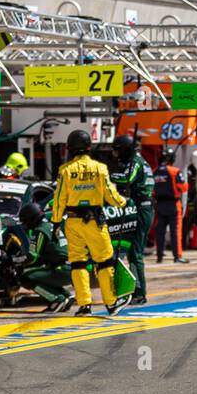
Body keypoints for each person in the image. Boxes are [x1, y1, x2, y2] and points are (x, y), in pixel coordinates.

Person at [52, 129, 128, 317]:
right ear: (88, 147)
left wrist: (55, 222)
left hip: (73, 222)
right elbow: (110, 194)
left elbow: (59, 199)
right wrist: (124, 201)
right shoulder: (100, 168)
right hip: (95, 222)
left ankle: (84, 305)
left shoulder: (65, 171)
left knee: (78, 263)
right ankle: (111, 302)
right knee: (104, 261)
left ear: (70, 148)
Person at [109, 134, 154, 304]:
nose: (116, 155)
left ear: (125, 150)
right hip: (141, 207)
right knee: (131, 251)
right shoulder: (137, 161)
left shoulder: (135, 162)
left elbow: (127, 179)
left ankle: (139, 293)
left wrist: (106, 176)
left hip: (143, 208)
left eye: (118, 151)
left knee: (135, 253)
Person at [8, 201, 74, 313]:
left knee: (25, 277)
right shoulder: (51, 224)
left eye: (25, 221)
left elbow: (32, 257)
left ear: (32, 218)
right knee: (42, 273)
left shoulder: (40, 231)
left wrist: (13, 260)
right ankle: (66, 296)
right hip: (71, 267)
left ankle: (57, 299)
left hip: (62, 269)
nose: (25, 224)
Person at [152, 150, 189, 265]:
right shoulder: (175, 171)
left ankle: (159, 256)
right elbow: (183, 187)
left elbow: (151, 189)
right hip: (173, 205)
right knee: (175, 231)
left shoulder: (155, 172)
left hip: (159, 205)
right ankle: (177, 256)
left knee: (160, 232)